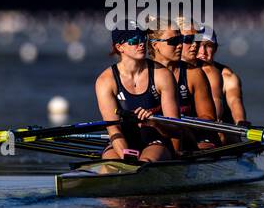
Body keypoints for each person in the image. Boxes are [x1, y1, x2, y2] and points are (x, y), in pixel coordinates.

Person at [95, 27, 181, 161]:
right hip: (121, 140)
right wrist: (126, 156)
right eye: (134, 40)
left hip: (156, 139)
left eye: (143, 39)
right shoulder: (105, 81)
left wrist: (155, 123)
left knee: (144, 163)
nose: (141, 44)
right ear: (119, 47)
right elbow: (114, 129)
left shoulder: (162, 75)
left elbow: (175, 127)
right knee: (110, 165)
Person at [148, 19, 218, 149]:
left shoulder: (193, 73)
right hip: (156, 135)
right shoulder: (143, 73)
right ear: (155, 45)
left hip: (194, 135)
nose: (180, 45)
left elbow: (208, 117)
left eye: (181, 40)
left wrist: (179, 124)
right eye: (174, 41)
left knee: (204, 146)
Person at [194, 26, 249, 125]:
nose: (202, 51)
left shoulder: (227, 76)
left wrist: (240, 120)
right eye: (198, 45)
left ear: (215, 48)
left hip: (221, 130)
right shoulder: (182, 71)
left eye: (208, 45)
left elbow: (234, 101)